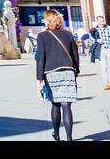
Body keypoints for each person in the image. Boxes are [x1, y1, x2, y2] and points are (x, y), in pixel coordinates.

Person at [34, 8, 79, 141]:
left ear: (48, 21)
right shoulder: (68, 35)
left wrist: (39, 77)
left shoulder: (42, 36)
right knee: (67, 105)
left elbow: (40, 57)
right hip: (68, 71)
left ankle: (56, 133)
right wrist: (76, 70)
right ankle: (69, 138)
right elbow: (75, 55)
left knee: (55, 104)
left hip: (51, 72)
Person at [91, 16, 110, 89]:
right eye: (100, 21)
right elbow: (91, 37)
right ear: (97, 22)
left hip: (109, 49)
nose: (101, 23)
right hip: (101, 49)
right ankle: (106, 84)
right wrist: (96, 40)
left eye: (102, 21)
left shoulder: (109, 28)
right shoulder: (94, 29)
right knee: (104, 67)